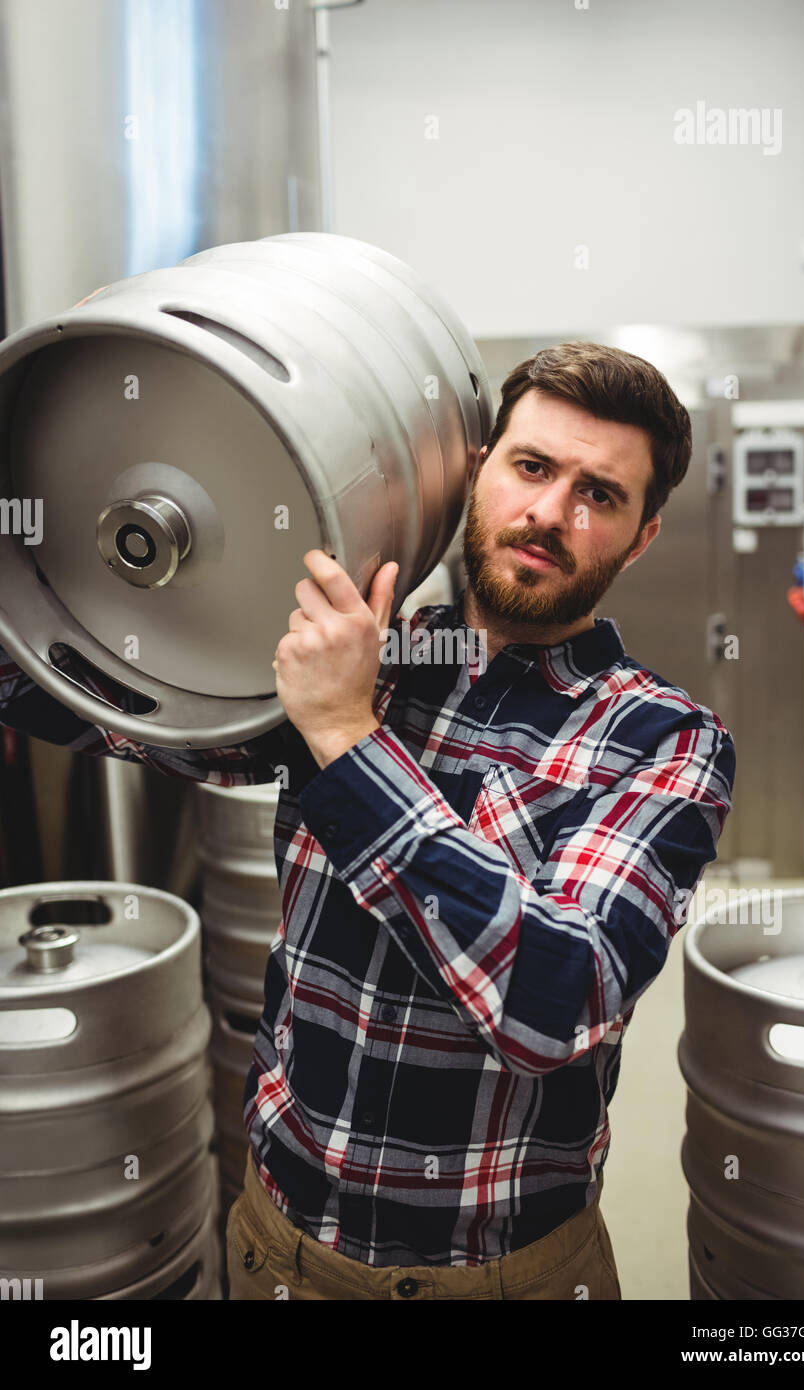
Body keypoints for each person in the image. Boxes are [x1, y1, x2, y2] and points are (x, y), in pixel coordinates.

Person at [0, 341, 735, 1300]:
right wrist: (63, 441)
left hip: (500, 1276)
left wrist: (348, 737)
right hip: (279, 1244)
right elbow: (99, 704)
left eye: (600, 495)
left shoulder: (664, 739)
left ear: (640, 539)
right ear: (479, 472)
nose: (551, 513)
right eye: (533, 467)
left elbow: (558, 1001)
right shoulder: (366, 654)